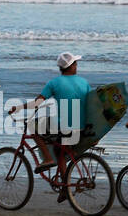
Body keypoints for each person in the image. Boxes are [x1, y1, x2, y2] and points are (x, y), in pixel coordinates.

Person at [15, 52, 90, 182]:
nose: (77, 66)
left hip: (66, 127)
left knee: (33, 125)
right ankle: (65, 190)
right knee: (59, 150)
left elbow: (37, 103)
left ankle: (48, 159)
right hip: (83, 126)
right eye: (76, 63)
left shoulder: (54, 83)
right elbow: (91, 105)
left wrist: (18, 108)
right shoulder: (84, 82)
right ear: (71, 66)